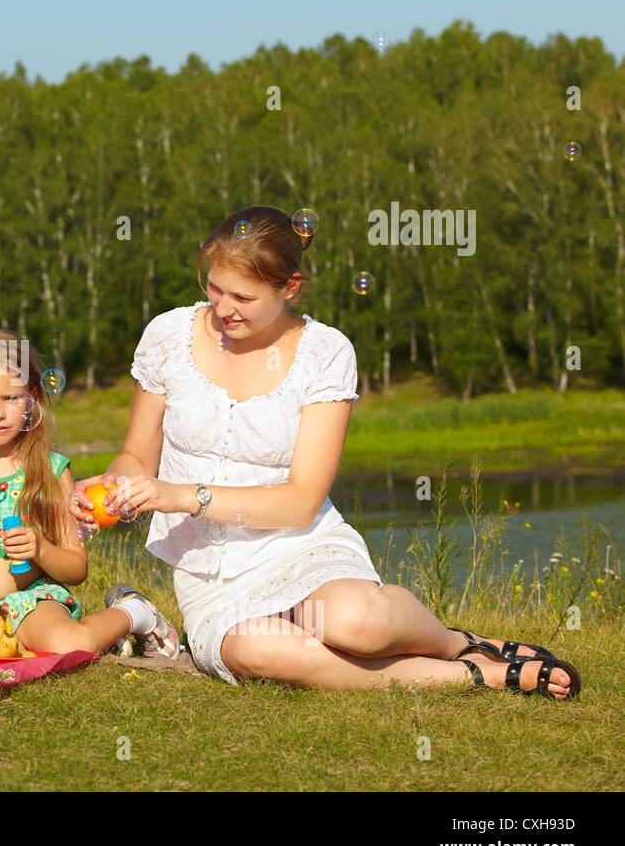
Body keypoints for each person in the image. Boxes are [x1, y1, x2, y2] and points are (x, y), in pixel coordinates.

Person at [72, 206, 581, 699]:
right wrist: (111, 486)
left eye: (243, 297)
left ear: (289, 286)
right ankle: (477, 676)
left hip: (298, 548)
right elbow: (136, 455)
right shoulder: (167, 336)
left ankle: (460, 643)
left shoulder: (325, 351)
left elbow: (299, 501)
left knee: (358, 623)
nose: (223, 309)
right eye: (214, 287)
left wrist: (179, 494)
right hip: (211, 575)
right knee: (264, 652)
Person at [0, 329, 179, 656]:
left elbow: (76, 570)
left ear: (32, 399)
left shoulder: (50, 471)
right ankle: (17, 643)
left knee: (71, 644)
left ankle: (134, 613)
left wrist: (39, 549)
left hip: (33, 603)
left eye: (11, 398)